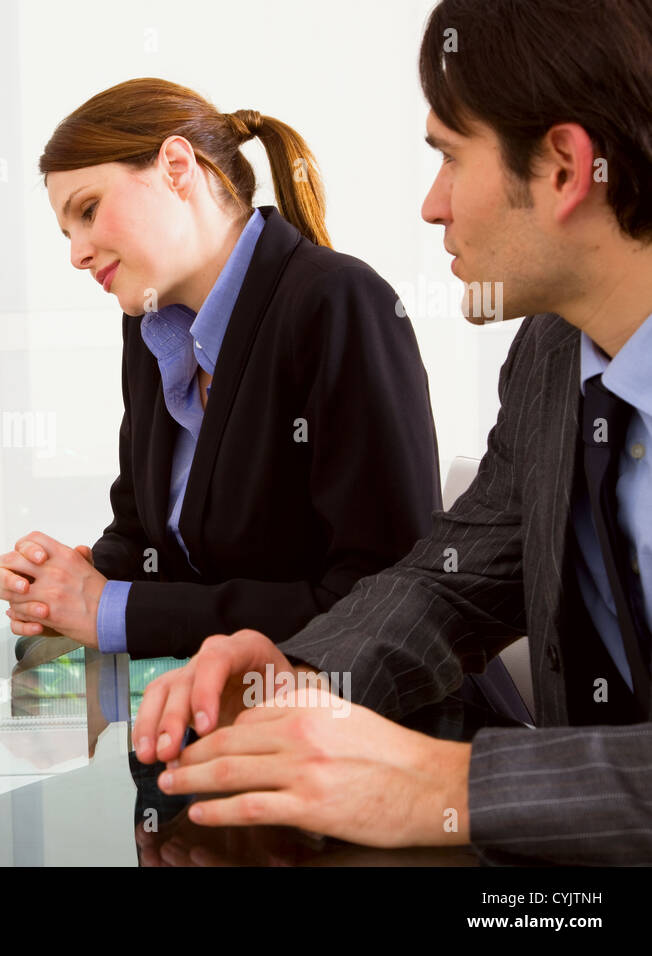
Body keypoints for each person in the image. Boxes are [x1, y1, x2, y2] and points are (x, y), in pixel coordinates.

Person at [133, 0, 652, 865]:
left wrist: (447, 786)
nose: (431, 205)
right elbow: (458, 579)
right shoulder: (555, 353)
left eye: (449, 156)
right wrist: (302, 676)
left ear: (565, 168)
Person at [0, 78, 443, 659]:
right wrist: (67, 585)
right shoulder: (151, 322)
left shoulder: (336, 302)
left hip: (354, 720)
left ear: (177, 168)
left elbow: (381, 600)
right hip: (214, 708)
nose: (76, 253)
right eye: (67, 231)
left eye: (88, 210)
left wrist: (112, 610)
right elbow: (141, 534)